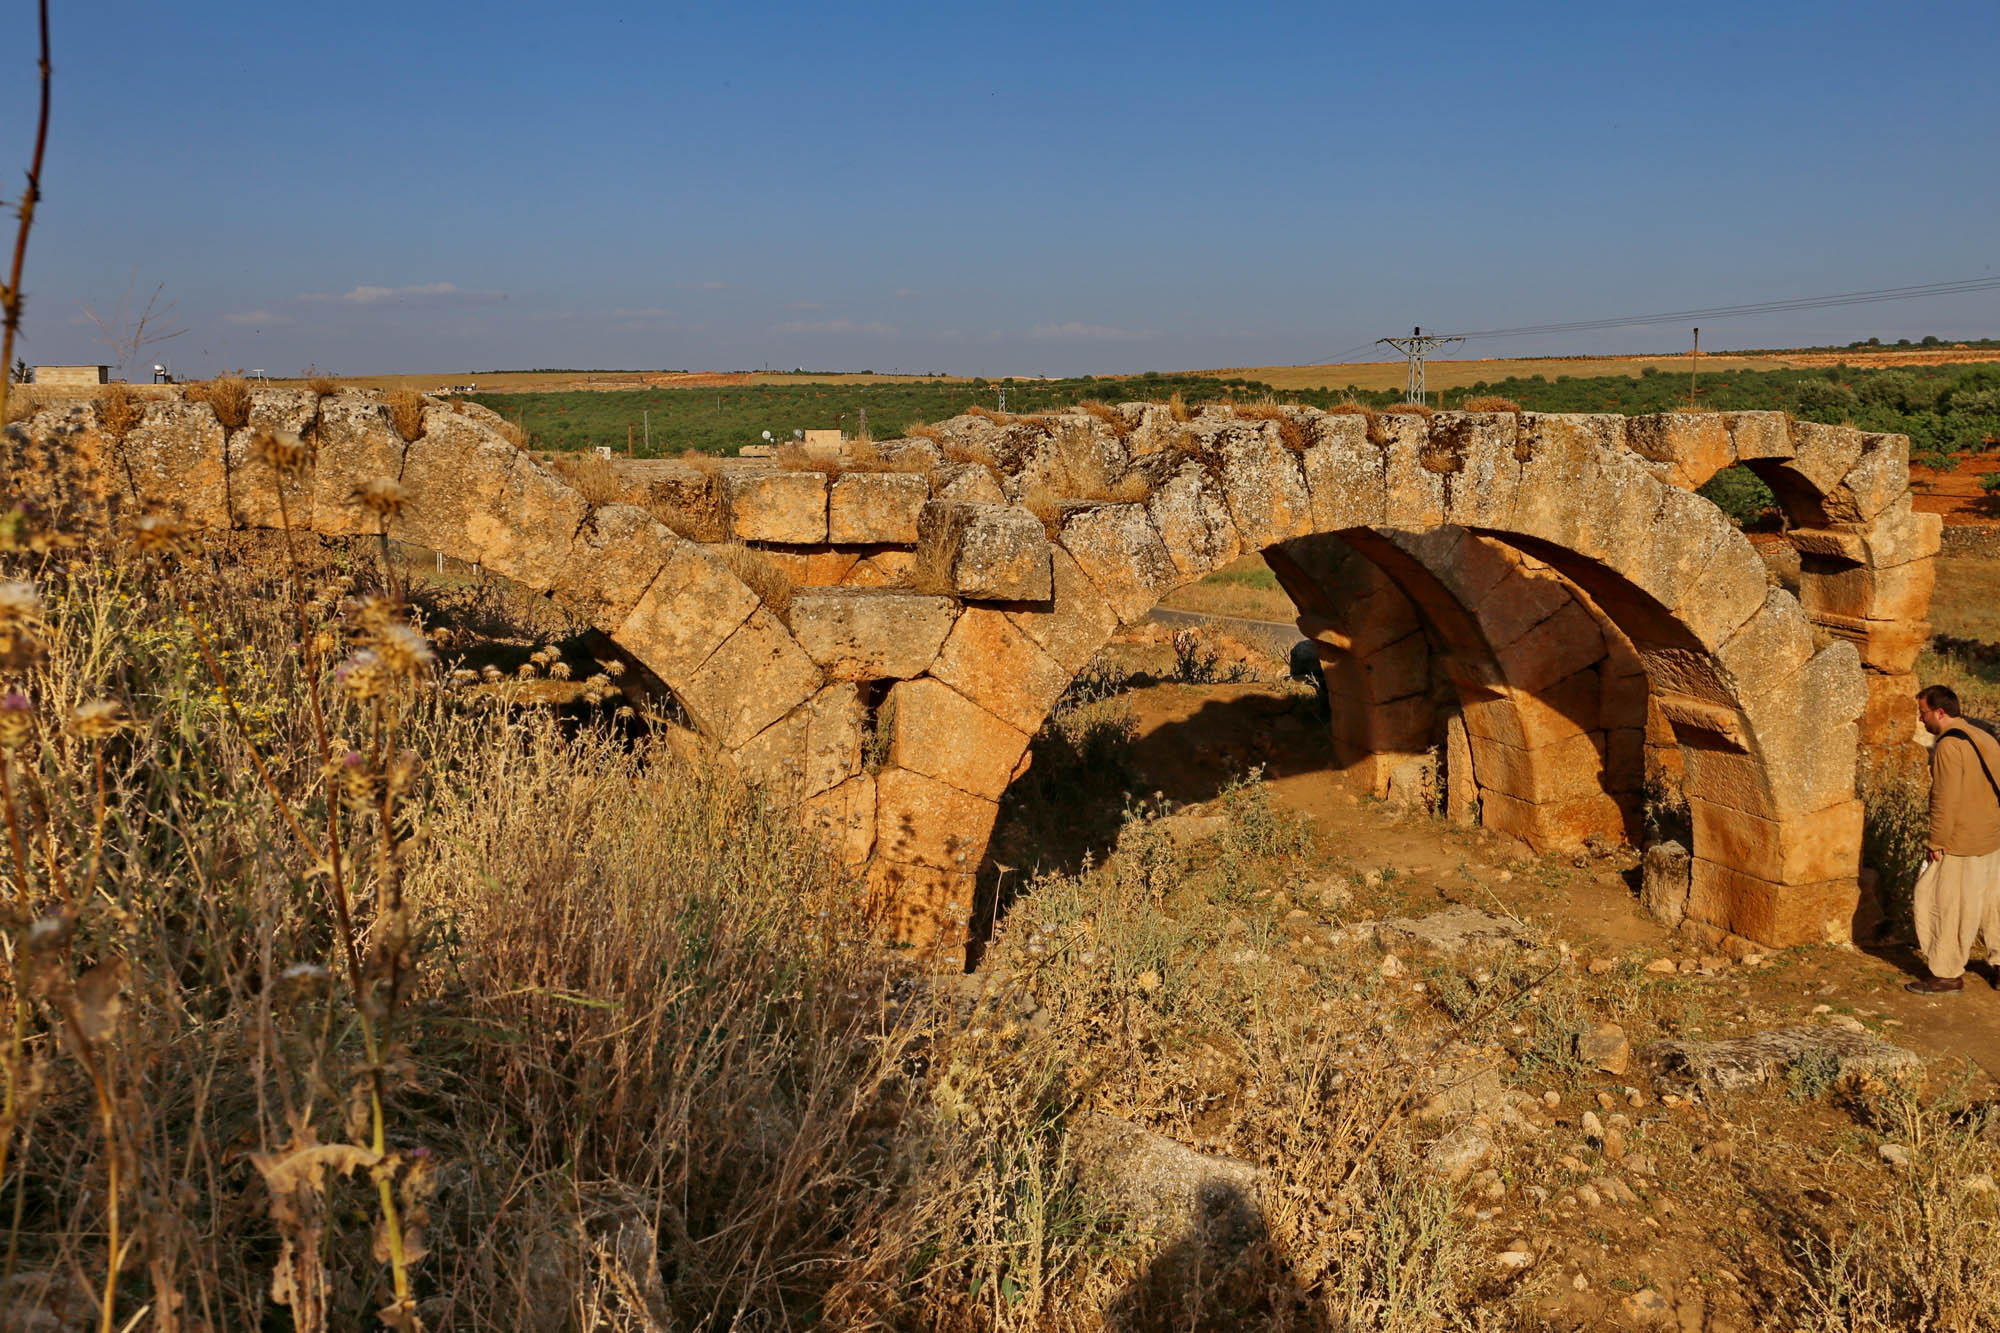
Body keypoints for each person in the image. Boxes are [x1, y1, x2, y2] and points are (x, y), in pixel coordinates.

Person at [1910, 684, 2000, 994]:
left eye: (1922, 713)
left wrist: (1936, 842)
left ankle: (1947, 973)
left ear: (1939, 712)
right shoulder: (1984, 737)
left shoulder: (1949, 746)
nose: (1921, 720)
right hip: (1991, 836)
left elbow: (1944, 800)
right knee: (1991, 904)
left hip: (1961, 840)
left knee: (1943, 904)